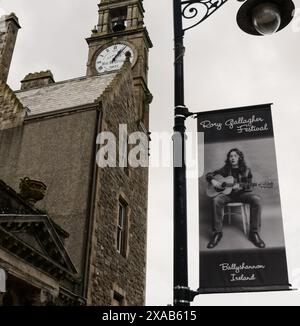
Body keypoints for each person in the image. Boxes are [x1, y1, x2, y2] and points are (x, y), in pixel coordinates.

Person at [206, 148, 266, 249]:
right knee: (216, 200)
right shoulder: (225, 169)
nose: (232, 158)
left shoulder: (247, 170)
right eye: (230, 156)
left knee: (257, 199)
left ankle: (253, 233)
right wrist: (212, 180)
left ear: (239, 157)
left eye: (235, 156)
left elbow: (250, 186)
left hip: (241, 195)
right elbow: (209, 175)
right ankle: (217, 233)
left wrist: (241, 186)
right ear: (228, 159)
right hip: (227, 196)